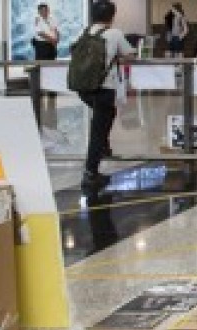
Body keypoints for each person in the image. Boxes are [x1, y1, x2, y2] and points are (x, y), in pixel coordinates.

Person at [77, 1, 135, 190]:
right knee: (98, 130)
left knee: (107, 116)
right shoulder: (115, 34)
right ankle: (90, 172)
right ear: (112, 16)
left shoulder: (86, 33)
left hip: (84, 88)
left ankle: (103, 147)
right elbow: (130, 54)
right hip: (104, 88)